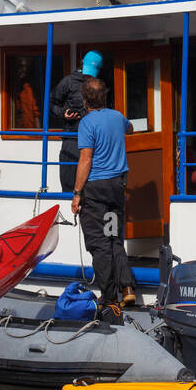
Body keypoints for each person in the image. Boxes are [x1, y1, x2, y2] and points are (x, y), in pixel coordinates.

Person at [71, 77, 136, 315]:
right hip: (116, 187)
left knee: (99, 244)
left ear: (85, 100)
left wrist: (77, 193)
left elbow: (85, 160)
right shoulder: (118, 117)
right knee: (113, 237)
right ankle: (127, 286)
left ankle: (109, 297)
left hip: (96, 189)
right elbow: (131, 128)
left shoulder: (87, 123)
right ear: (105, 97)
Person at [50, 50, 103, 192]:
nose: (88, 75)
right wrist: (63, 114)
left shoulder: (99, 84)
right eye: (87, 71)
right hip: (72, 139)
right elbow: (51, 104)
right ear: (82, 64)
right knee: (68, 184)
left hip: (93, 141)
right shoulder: (68, 81)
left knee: (92, 187)